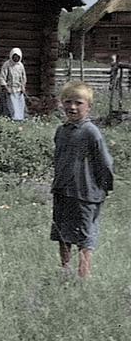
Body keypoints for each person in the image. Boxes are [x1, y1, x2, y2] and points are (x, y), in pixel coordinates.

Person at [50, 80, 113, 279]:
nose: (72, 107)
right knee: (63, 233)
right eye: (68, 102)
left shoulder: (90, 132)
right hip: (63, 191)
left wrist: (102, 189)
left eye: (78, 103)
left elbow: (104, 163)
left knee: (84, 236)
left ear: (89, 107)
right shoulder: (62, 131)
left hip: (86, 193)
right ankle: (65, 272)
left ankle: (83, 277)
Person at [0, 47, 27, 120]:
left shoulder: (20, 65)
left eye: (18, 57)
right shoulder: (7, 65)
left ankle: (20, 119)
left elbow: (23, 77)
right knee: (12, 105)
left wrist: (23, 86)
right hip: (10, 88)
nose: (16, 58)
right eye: (15, 56)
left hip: (19, 89)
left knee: (20, 105)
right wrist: (7, 87)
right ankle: (14, 119)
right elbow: (2, 77)